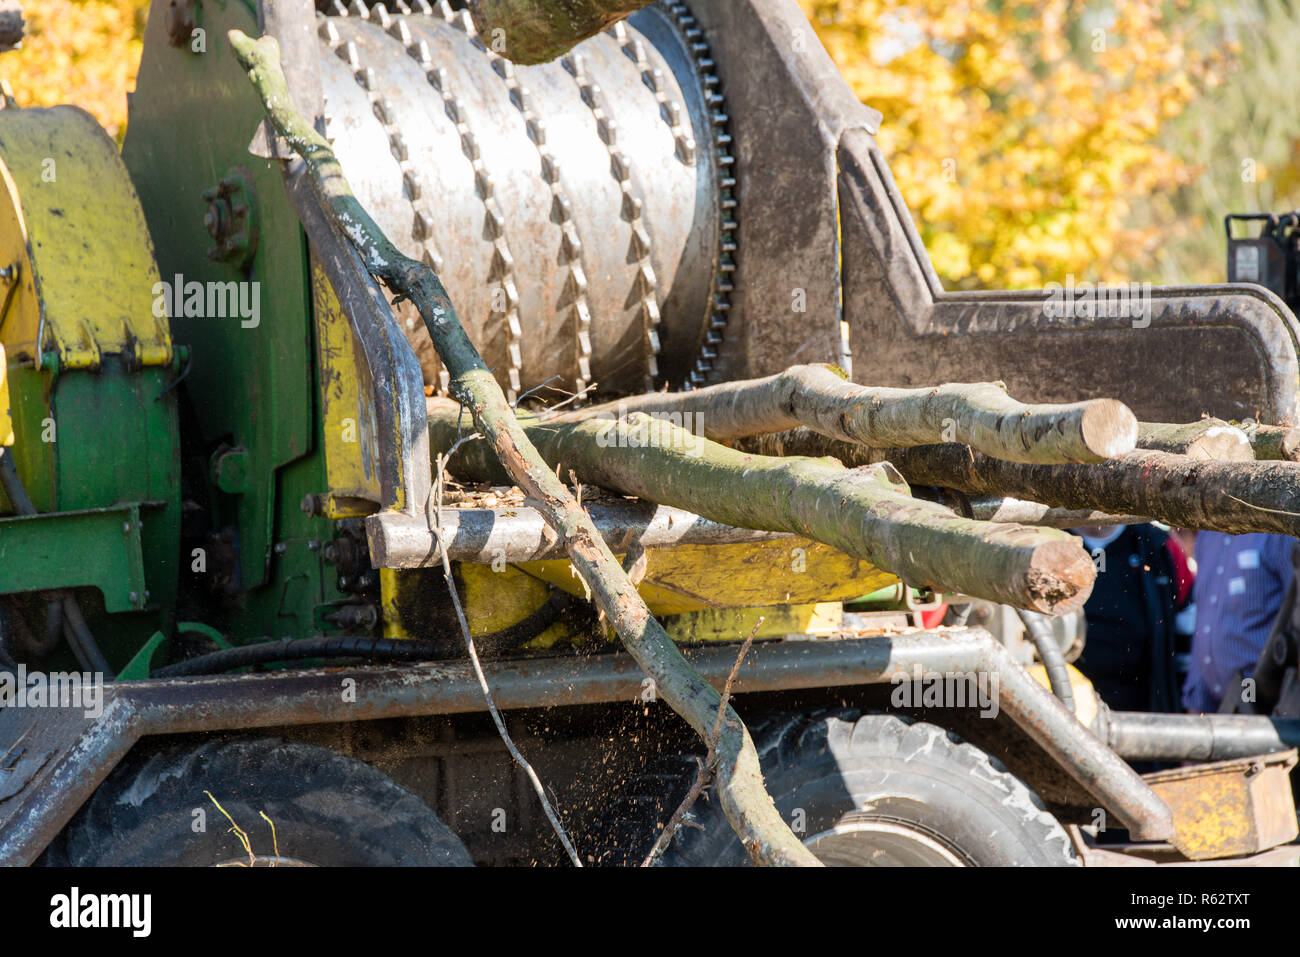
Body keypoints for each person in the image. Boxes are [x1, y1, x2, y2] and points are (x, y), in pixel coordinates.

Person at [1070, 524, 1193, 713]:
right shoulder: (1042, 543)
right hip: (1063, 704)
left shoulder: (1158, 546)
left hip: (1145, 711)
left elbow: (1189, 635)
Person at [1182, 532, 1296, 713]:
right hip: (1216, 704)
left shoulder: (1278, 531)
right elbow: (1204, 622)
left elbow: (1295, 611)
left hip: (1261, 697)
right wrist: (1197, 702)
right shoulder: (1208, 534)